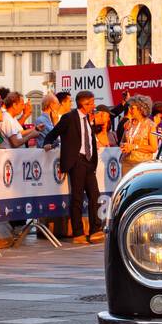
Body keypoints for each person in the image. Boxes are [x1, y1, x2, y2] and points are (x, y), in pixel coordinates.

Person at [44, 90, 104, 244]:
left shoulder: (90, 118)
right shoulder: (69, 118)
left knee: (94, 195)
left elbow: (89, 138)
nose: (94, 105)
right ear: (84, 104)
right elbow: (53, 133)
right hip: (76, 161)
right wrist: (47, 143)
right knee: (77, 197)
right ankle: (78, 233)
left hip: (89, 161)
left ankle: (95, 230)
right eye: (91, 103)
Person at [120, 94, 159, 170]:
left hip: (142, 165)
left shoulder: (150, 125)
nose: (129, 110)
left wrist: (134, 147)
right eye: (129, 107)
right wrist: (124, 145)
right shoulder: (129, 123)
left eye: (132, 108)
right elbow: (122, 142)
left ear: (141, 109)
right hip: (126, 163)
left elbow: (154, 148)